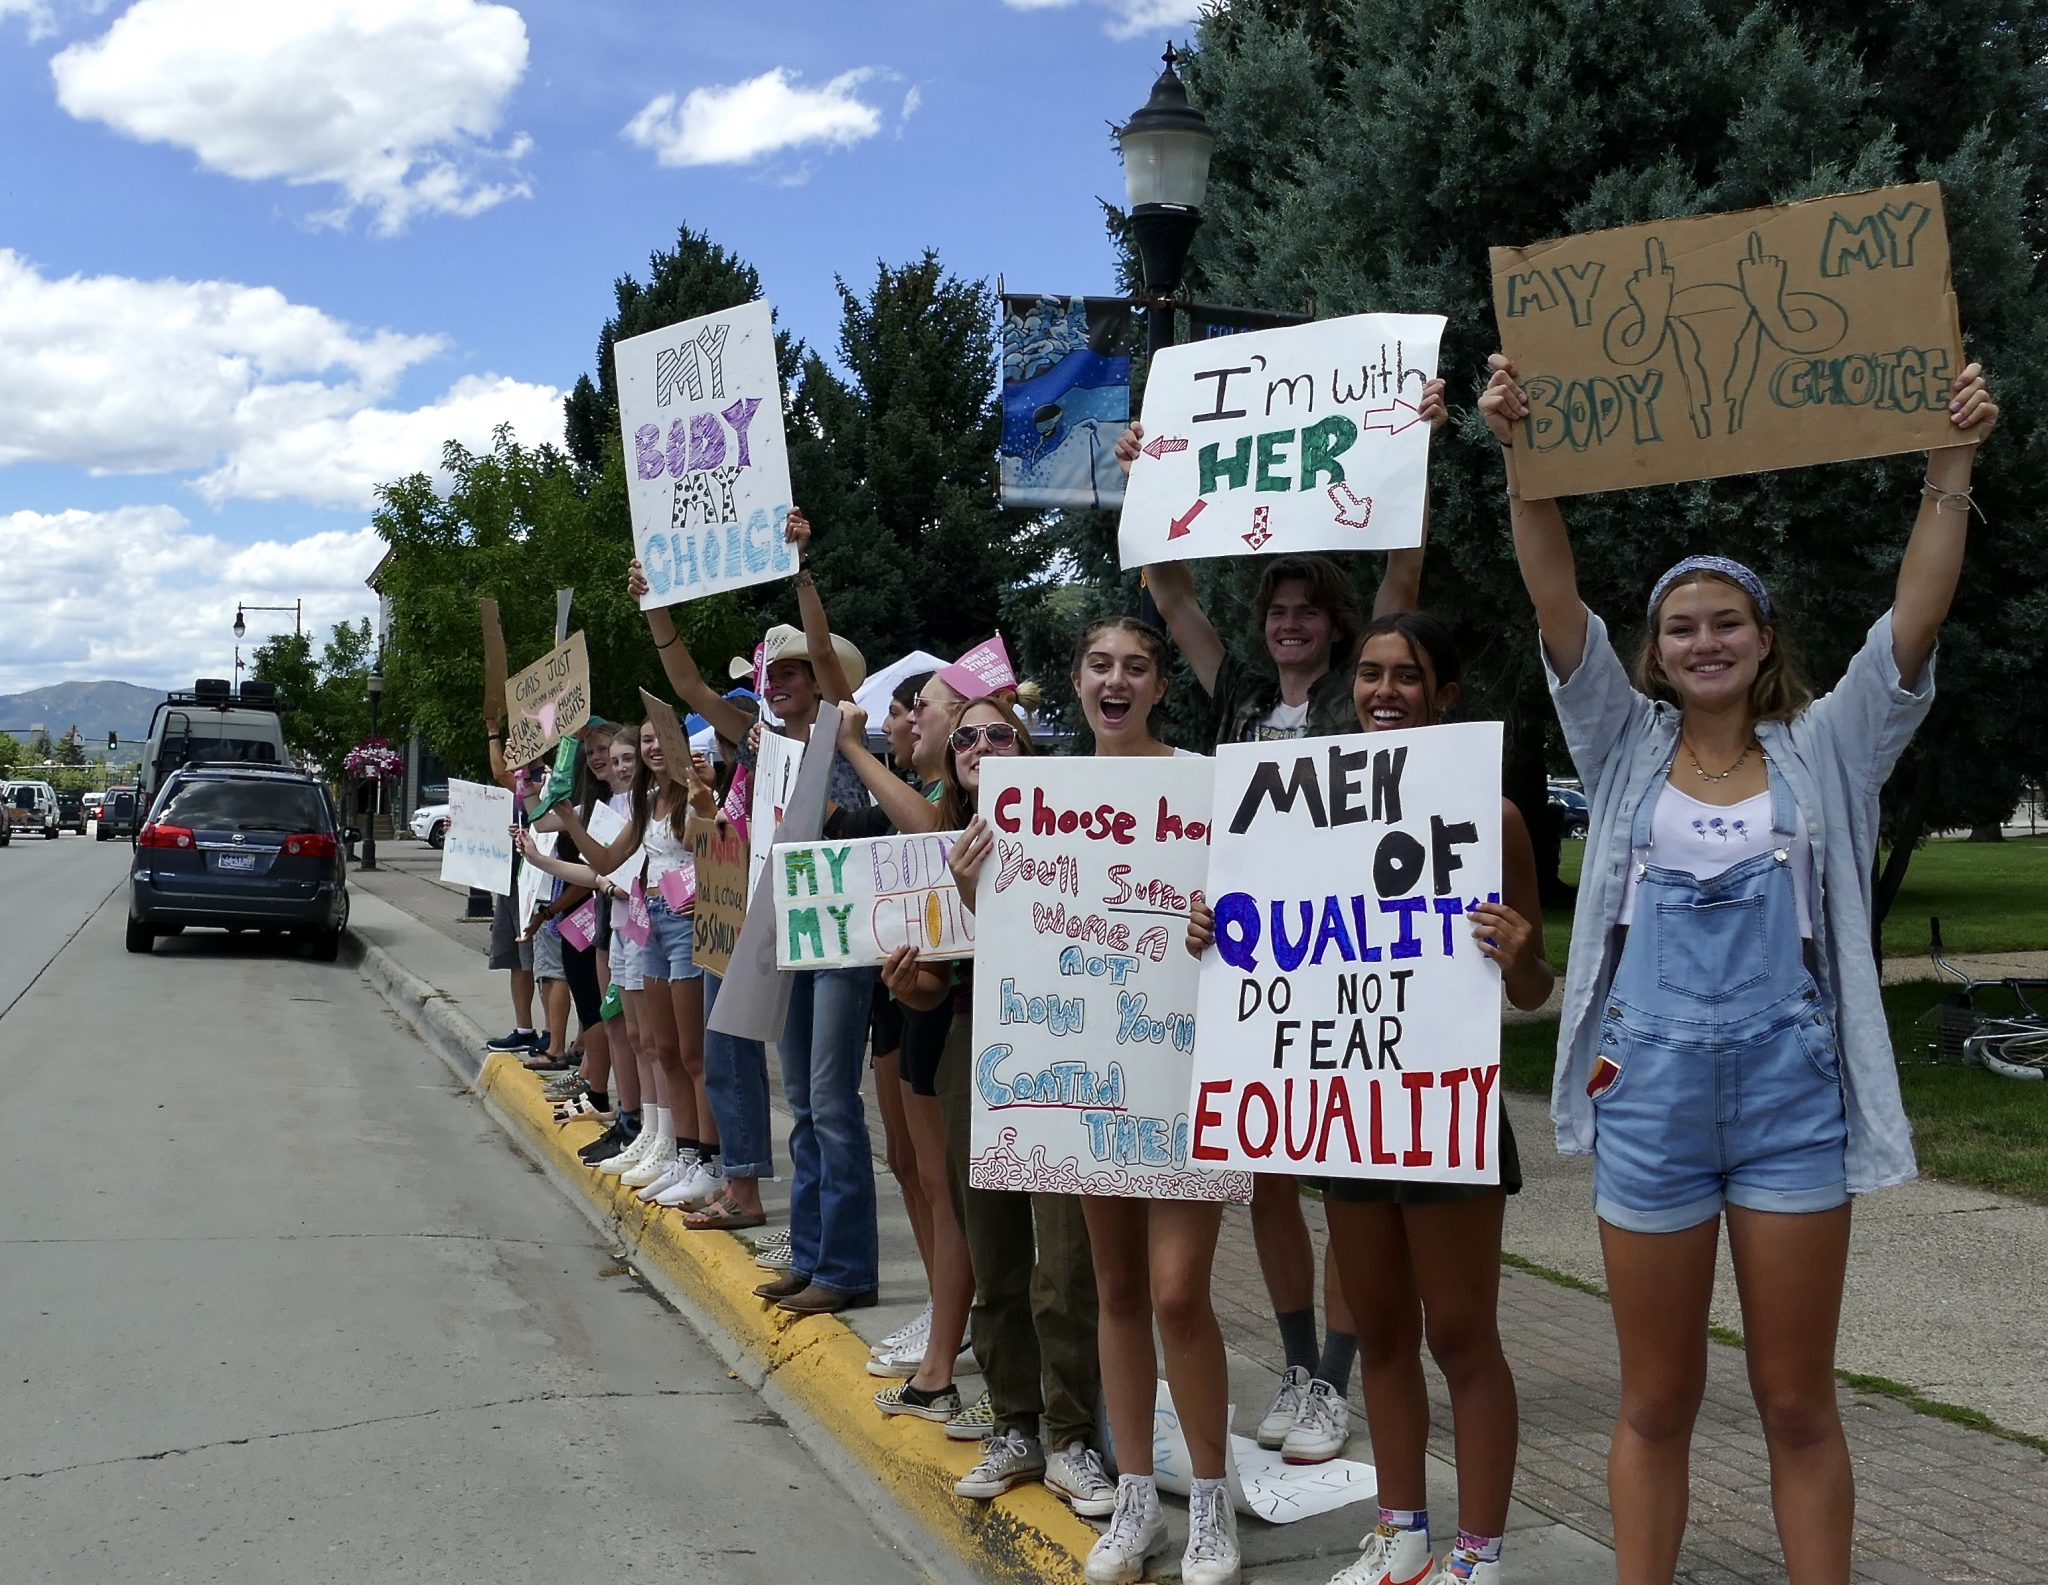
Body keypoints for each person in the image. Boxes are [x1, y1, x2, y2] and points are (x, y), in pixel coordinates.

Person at [1479, 352, 1998, 1584]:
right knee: (1654, 1401)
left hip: (1787, 1103)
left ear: (1762, 639)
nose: (1702, 640)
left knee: (1795, 1402)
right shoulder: (1616, 747)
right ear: (1652, 655)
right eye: (1679, 626)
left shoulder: (1829, 746)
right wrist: (1520, 455)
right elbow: (1556, 602)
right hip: (1647, 1099)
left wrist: (1950, 460)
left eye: (1725, 621)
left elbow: (1912, 615)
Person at [1114, 384, 1446, 1464]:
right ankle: (1298, 1360)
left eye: (1305, 609)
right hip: (1253, 960)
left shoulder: (1363, 697)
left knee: (1344, 1165)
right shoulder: (1238, 698)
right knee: (1260, 1172)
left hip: (1348, 959)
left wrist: (1412, 451)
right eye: (1274, 610)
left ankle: (1334, 1385)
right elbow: (1167, 595)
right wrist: (1149, 474)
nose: (1287, 622)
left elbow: (1403, 575)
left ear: (1336, 624)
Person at [1190, 612, 1555, 1585]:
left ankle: (1474, 1551)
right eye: (1373, 675)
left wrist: (1524, 961)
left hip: (1444, 1111)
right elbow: (1268, 939)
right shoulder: (1297, 814)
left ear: (1441, 696)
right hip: (1349, 1113)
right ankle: (1399, 1533)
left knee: (1461, 1333)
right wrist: (1215, 938)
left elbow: (1528, 985)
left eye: (1408, 676)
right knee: (1382, 1330)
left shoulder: (1492, 816)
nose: (1384, 690)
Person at [633, 508, 879, 1313]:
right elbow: (693, 688)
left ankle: (844, 1269)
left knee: (832, 1104)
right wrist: (656, 611)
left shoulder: (845, 733)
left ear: (822, 680)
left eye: (793, 671)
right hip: (784, 930)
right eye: (772, 673)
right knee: (805, 1103)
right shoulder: (760, 742)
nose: (777, 681)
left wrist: (801, 568)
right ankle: (813, 1258)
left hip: (838, 933)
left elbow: (828, 668)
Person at [881, 690, 1115, 1521]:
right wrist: (912, 990)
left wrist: (992, 891)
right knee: (994, 1247)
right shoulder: (939, 842)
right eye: (968, 734)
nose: (980, 742)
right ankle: (1016, 1422)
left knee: (1064, 1256)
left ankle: (1074, 1432)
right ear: (952, 758)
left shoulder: (1071, 827)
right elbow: (934, 984)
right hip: (970, 1047)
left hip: (1056, 1047)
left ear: (1025, 748)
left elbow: (1083, 941)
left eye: (999, 732)